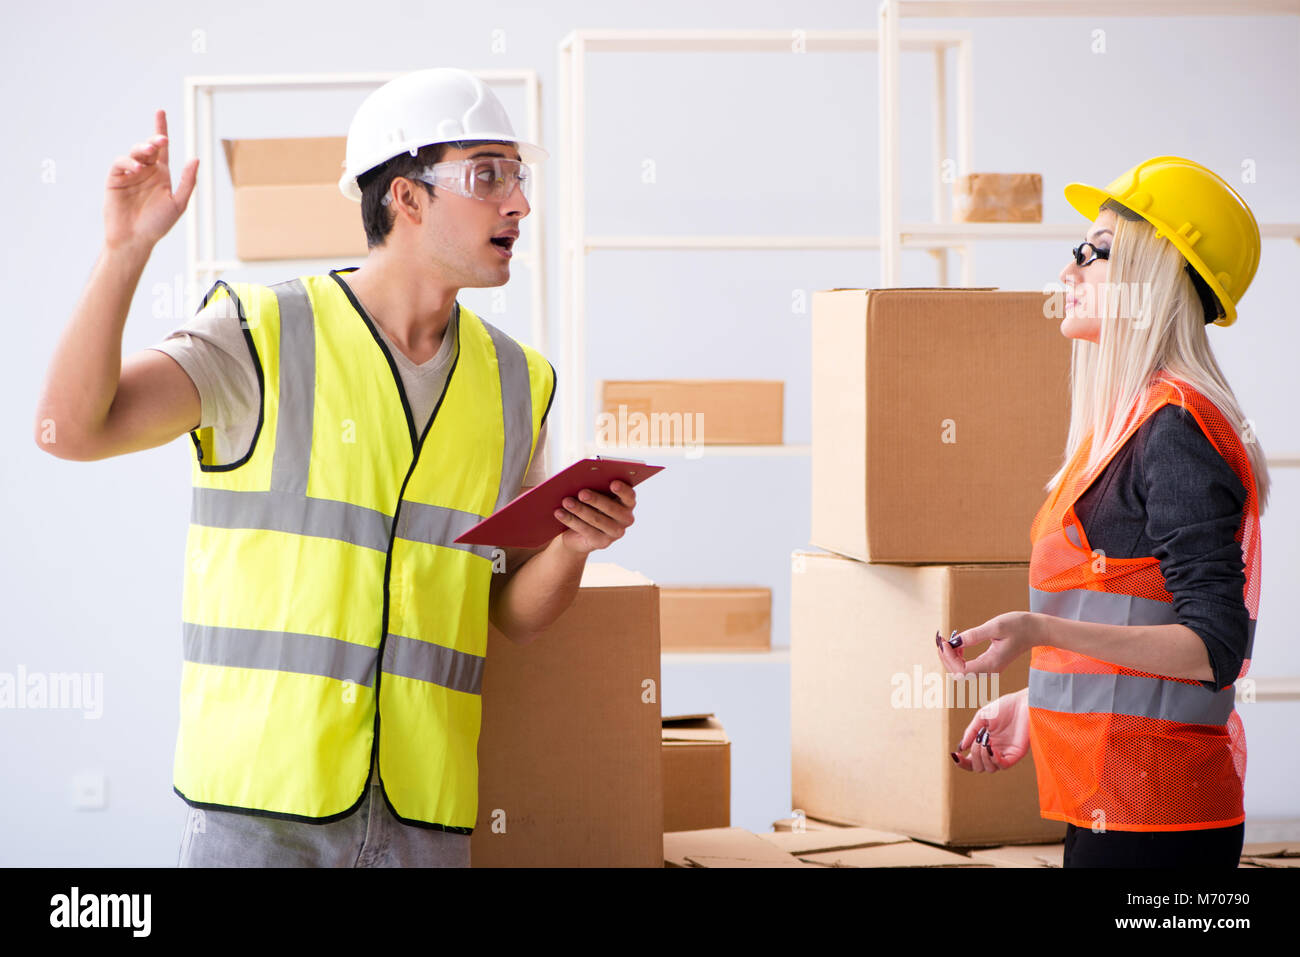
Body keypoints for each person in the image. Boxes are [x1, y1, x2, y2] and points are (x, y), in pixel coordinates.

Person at [33, 68, 639, 868]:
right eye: (486, 175)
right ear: (407, 197)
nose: (518, 202)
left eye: (517, 176)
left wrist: (572, 547)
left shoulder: (518, 381)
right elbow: (69, 430)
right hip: (260, 811)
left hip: (426, 812)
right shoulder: (261, 333)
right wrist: (125, 251)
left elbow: (514, 613)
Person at [935, 156, 1268, 869]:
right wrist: (1036, 700)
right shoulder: (1124, 427)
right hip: (1114, 803)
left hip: (1161, 821)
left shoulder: (1174, 432)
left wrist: (1032, 629)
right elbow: (1131, 618)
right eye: (1074, 252)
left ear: (1154, 277)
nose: (1070, 271)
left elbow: (1213, 646)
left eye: (1098, 253)